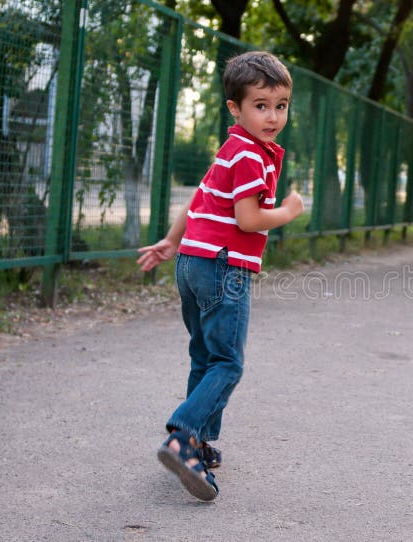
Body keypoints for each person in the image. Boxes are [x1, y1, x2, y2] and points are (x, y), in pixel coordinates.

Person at [136, 50, 304, 501]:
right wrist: (286, 211)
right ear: (235, 107)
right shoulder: (252, 157)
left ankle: (200, 444)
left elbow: (200, 199)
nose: (272, 116)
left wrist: (171, 242)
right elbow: (249, 219)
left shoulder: (231, 149)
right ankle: (184, 437)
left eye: (281, 105)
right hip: (224, 267)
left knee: (205, 357)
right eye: (261, 105)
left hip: (191, 263)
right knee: (228, 362)